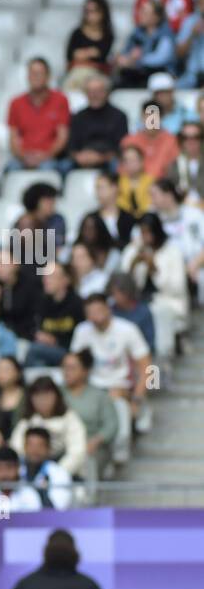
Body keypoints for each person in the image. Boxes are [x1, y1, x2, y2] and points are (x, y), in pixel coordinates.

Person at [121, 213, 189, 353]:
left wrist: (154, 269)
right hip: (138, 301)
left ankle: (162, 361)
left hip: (166, 301)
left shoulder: (172, 251)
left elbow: (177, 288)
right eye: (142, 232)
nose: (145, 236)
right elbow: (124, 284)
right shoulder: (133, 250)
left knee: (159, 312)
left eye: (148, 232)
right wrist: (134, 265)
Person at [70, 292, 151, 402]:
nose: (95, 315)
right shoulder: (81, 330)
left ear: (108, 309)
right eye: (90, 312)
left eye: (98, 310)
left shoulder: (128, 329)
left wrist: (137, 398)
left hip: (121, 386)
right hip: (91, 387)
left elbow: (147, 367)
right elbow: (74, 363)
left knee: (113, 399)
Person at [10, 376, 88, 480]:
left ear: (57, 397)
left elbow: (77, 452)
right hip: (30, 472)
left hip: (64, 471)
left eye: (47, 396)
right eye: (37, 396)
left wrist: (55, 474)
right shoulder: (27, 421)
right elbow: (16, 449)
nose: (42, 401)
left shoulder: (70, 419)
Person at [60, 348, 120, 475]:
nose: (66, 372)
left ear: (85, 371)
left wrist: (96, 441)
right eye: (64, 367)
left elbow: (111, 425)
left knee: (86, 458)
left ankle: (86, 494)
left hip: (90, 446)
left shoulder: (100, 396)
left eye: (72, 368)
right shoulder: (56, 393)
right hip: (61, 444)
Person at [6, 58, 70, 170]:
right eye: (32, 73)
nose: (35, 77)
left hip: (49, 158)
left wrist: (45, 156)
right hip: (23, 157)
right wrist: (23, 157)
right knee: (10, 168)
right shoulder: (16, 103)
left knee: (48, 168)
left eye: (39, 73)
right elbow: (13, 138)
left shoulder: (60, 100)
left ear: (48, 76)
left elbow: (62, 137)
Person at [67, 74, 128, 172]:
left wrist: (101, 158)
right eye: (90, 91)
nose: (94, 95)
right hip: (82, 159)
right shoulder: (78, 117)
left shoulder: (119, 116)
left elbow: (121, 147)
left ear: (107, 92)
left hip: (108, 159)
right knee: (63, 166)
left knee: (118, 164)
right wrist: (78, 156)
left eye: (98, 91)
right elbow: (72, 147)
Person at [112, 0, 176, 89]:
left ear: (156, 17)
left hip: (160, 72)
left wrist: (136, 61)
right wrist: (122, 58)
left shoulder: (165, 34)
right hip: (139, 72)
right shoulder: (137, 32)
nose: (140, 15)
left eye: (145, 12)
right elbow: (126, 51)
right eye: (141, 11)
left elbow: (161, 59)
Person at [62, 0, 114, 91]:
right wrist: (91, 52)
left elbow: (103, 57)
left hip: (98, 73)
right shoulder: (77, 33)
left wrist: (82, 54)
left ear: (102, 13)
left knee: (95, 85)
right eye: (87, 11)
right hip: (76, 71)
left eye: (93, 11)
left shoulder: (107, 35)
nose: (89, 15)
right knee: (73, 81)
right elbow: (70, 56)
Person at [0, 445, 44, 513]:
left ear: (18, 468)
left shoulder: (30, 496)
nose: (4, 474)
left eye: (9, 468)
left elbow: (36, 523)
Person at [122, 102, 180, 181]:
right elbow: (121, 170)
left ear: (162, 117)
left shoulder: (171, 141)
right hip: (134, 186)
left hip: (162, 186)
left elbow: (175, 169)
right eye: (148, 116)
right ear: (141, 116)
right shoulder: (129, 141)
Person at [165, 123, 204, 205]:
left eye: (196, 137)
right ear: (181, 140)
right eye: (185, 138)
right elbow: (169, 193)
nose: (191, 141)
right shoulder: (174, 165)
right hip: (182, 210)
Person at [116, 143, 154, 217]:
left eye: (133, 160)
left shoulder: (152, 181)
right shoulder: (117, 183)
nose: (129, 163)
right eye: (126, 160)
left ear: (142, 161)